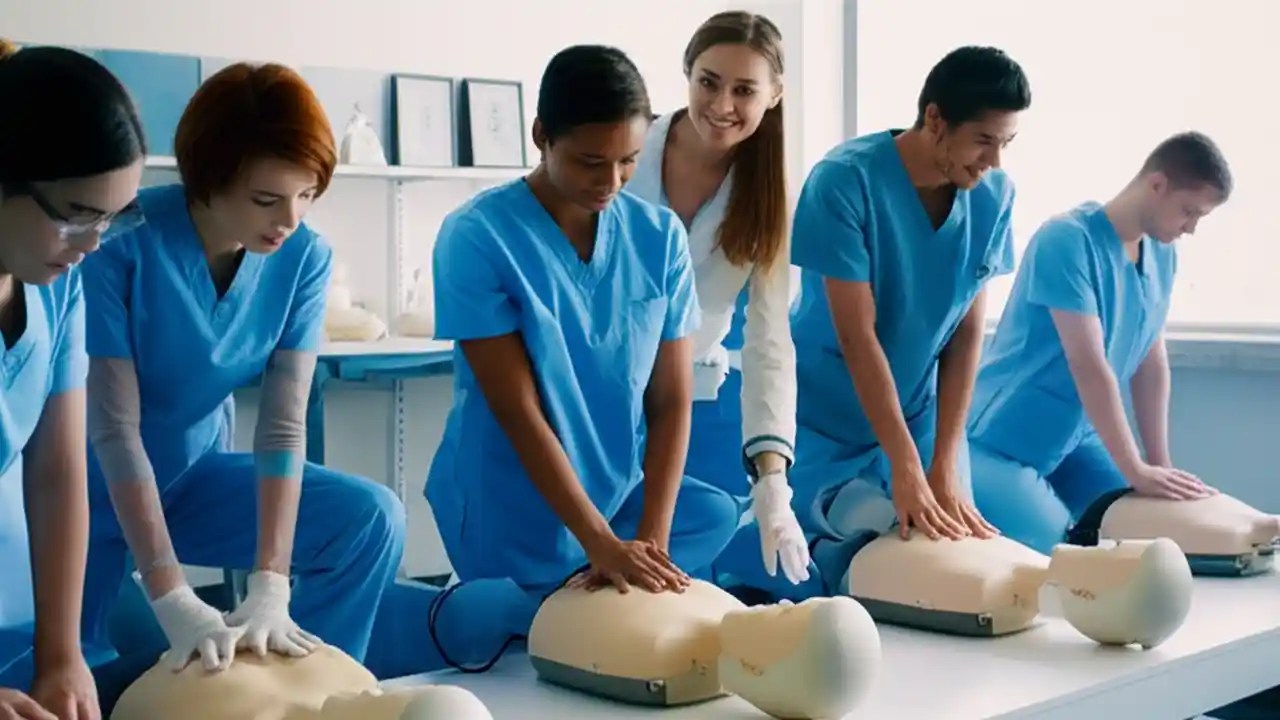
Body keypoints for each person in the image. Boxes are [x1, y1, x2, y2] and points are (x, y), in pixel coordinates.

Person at [368, 43, 740, 678]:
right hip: (510, 498)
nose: (611, 182)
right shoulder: (478, 236)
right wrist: (599, 546)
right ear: (540, 135)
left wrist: (646, 539)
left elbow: (671, 399)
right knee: (539, 647)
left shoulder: (657, 237)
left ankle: (544, 605)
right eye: (590, 161)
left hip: (615, 489)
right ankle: (450, 616)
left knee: (715, 513)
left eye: (627, 160)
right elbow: (517, 411)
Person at [79, 62, 405, 677]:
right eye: (266, 199)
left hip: (194, 480)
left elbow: (282, 428)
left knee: (370, 519)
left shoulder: (303, 257)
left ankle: (309, 691)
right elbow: (115, 432)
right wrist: (174, 595)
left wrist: (271, 585)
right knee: (90, 679)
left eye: (307, 195)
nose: (289, 220)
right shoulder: (118, 244)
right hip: (90, 496)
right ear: (208, 176)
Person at [728, 46, 1033, 601]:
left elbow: (965, 334)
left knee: (951, 542)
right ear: (936, 119)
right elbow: (857, 336)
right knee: (868, 531)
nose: (994, 161)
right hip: (824, 416)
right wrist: (904, 467)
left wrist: (941, 459)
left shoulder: (994, 196)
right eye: (984, 141)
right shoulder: (844, 181)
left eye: (1006, 143)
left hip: (915, 411)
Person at [968, 131, 1231, 554]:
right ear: (1157, 184)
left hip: (1073, 442)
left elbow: (1150, 363)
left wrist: (1157, 467)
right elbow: (1089, 364)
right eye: (1188, 212)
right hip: (1000, 442)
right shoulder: (1067, 240)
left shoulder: (1162, 254)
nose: (1192, 228)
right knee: (1061, 547)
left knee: (1142, 530)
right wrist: (1133, 468)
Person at [626, 11, 809, 587]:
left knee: (678, 571)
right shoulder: (622, 154)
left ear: (775, 95)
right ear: (687, 73)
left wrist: (773, 482)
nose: (722, 103)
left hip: (690, 400)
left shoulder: (770, 200)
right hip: (595, 387)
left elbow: (769, 342)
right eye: (709, 81)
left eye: (745, 90)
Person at [0, 38, 146, 719]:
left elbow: (57, 475)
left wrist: (62, 654)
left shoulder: (57, 292)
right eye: (74, 217)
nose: (91, 245)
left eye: (110, 220)